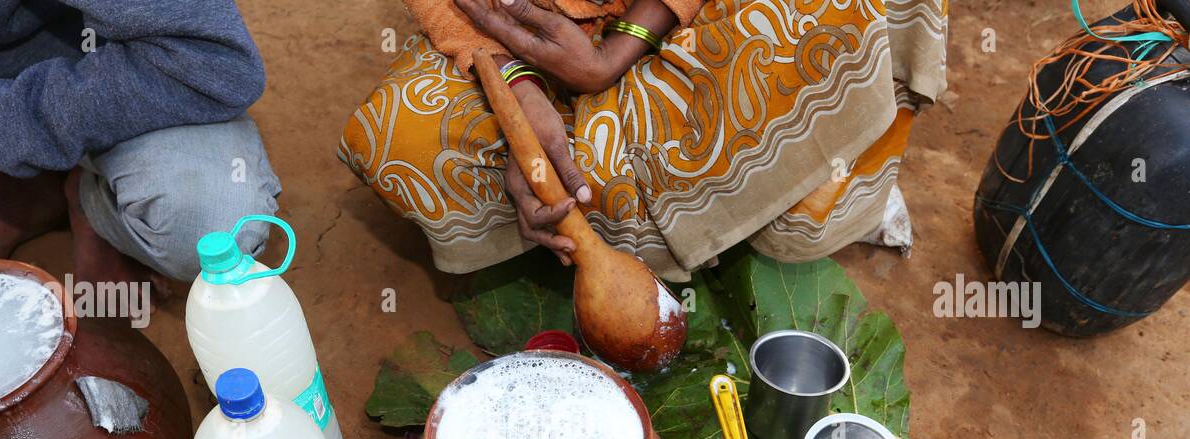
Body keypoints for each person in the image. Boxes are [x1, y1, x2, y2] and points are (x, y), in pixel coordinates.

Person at [340, 0, 948, 282]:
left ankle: (821, 187)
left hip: (699, 14)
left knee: (849, 26)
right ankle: (630, 235)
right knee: (398, 137)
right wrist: (516, 88)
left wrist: (620, 47)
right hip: (517, 25)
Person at [0, 1, 282, 291]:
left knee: (204, 225)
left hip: (102, 67)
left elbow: (212, 62)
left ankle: (87, 195)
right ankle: (22, 190)